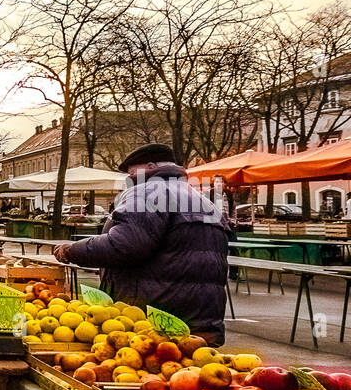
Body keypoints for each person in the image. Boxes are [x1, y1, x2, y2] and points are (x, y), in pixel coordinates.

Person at [55, 143, 228, 345]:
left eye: (131, 173)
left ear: (151, 166)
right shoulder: (200, 198)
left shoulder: (147, 191)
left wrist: (71, 250)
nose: (129, 179)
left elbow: (124, 245)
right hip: (200, 319)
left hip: (153, 319)